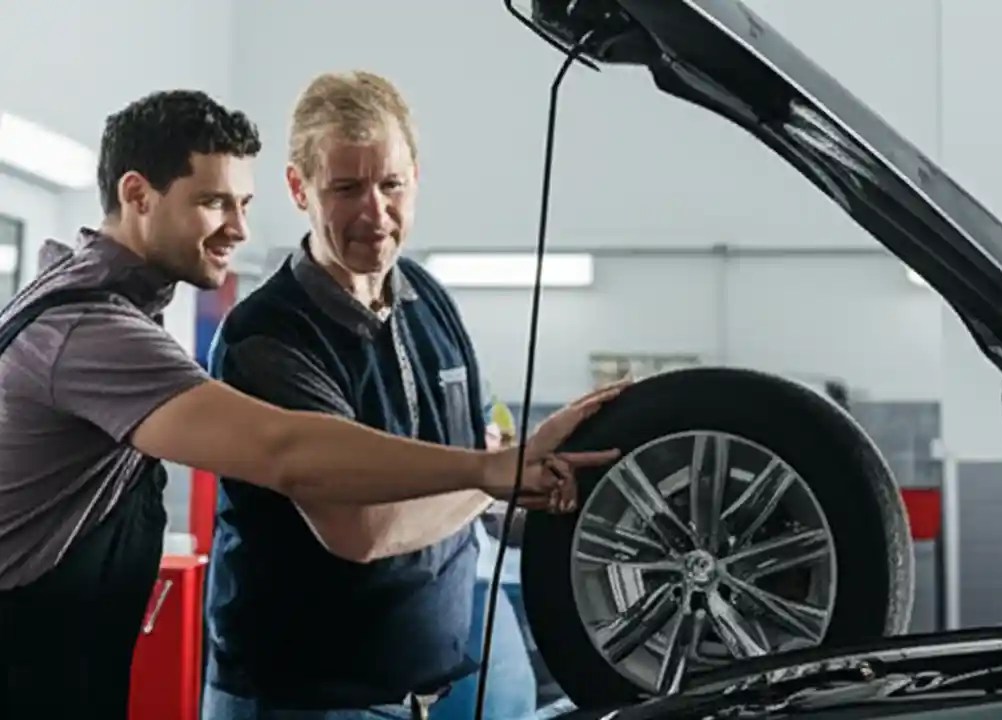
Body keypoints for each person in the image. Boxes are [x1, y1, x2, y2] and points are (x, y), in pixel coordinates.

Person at [0, 90, 619, 719]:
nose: (239, 229)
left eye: (241, 203)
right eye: (214, 202)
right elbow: (288, 451)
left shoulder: (101, 309)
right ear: (137, 196)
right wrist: (488, 473)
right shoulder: (98, 332)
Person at [201, 70, 607, 720]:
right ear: (298, 187)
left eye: (391, 184)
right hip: (301, 704)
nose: (375, 212)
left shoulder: (429, 301)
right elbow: (360, 529)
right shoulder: (270, 337)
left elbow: (483, 473)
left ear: (415, 175)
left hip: (422, 697)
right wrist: (495, 477)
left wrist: (583, 494)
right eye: (346, 188)